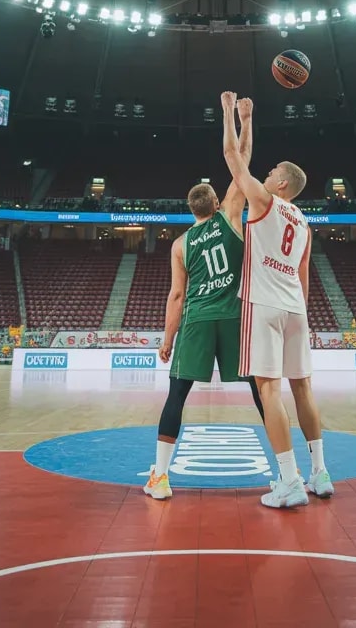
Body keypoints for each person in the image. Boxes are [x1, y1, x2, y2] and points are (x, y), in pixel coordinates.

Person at [144, 96, 266, 500]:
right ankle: (288, 470)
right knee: (259, 391)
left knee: (177, 395)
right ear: (215, 203)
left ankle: (161, 478)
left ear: (190, 209)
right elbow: (240, 162)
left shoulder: (180, 244)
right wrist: (243, 117)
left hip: (196, 319)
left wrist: (167, 339)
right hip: (234, 318)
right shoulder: (231, 216)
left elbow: (177, 295)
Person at [220, 90, 332, 508]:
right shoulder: (304, 221)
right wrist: (301, 314)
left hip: (263, 303)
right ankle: (320, 472)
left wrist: (230, 113)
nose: (265, 176)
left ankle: (289, 481)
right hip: (295, 308)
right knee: (304, 389)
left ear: (281, 183)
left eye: (270, 173)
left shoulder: (265, 200)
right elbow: (303, 276)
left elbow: (233, 159)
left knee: (269, 390)